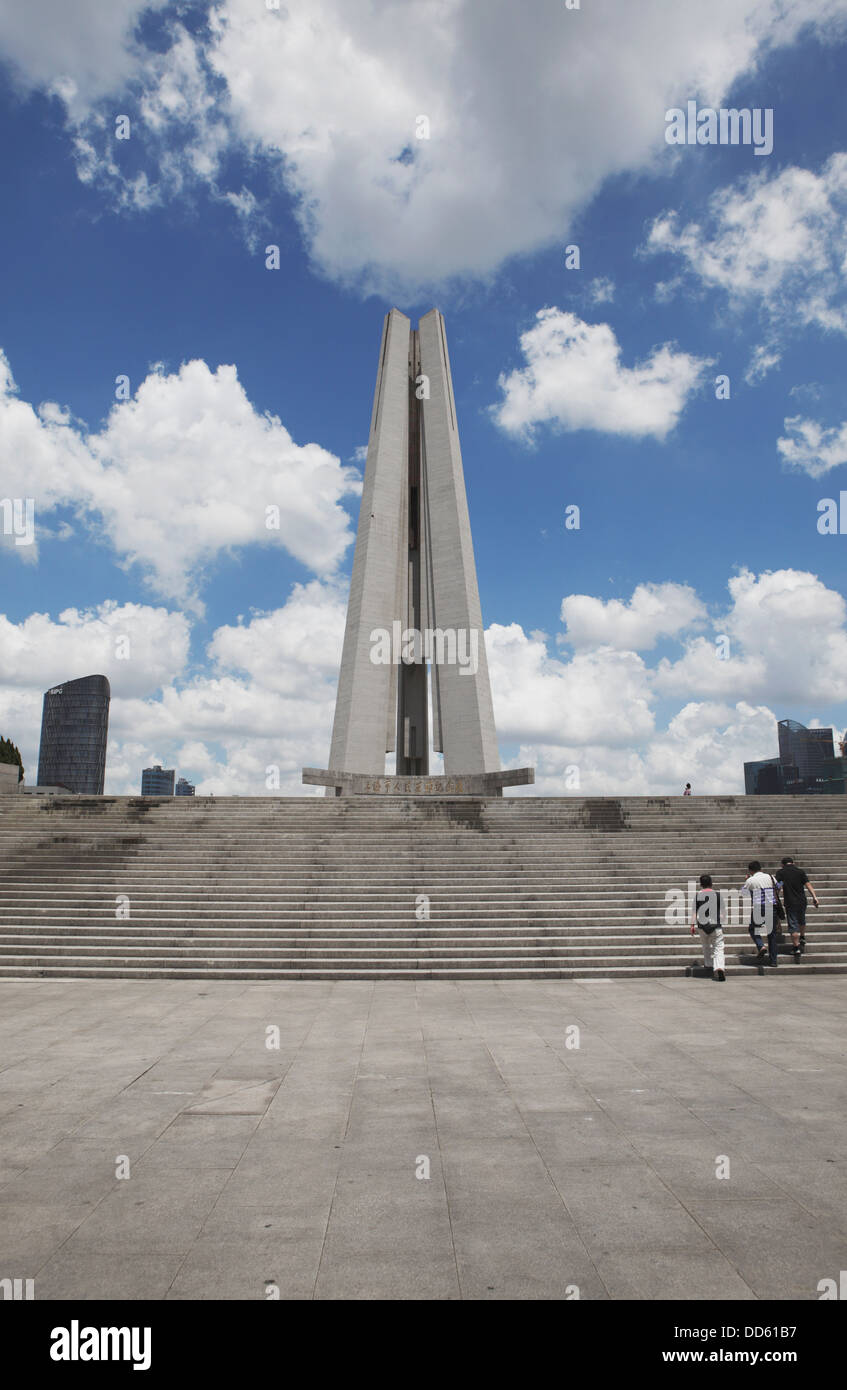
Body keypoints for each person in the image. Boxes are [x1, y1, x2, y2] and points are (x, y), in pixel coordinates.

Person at [774, 856, 819, 961]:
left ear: (783, 864)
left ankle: (796, 948)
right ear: (793, 863)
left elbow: (779, 886)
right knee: (801, 919)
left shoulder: (781, 873)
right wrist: (814, 897)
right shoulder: (800, 872)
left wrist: (776, 897)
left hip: (790, 902)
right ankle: (802, 936)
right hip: (802, 901)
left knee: (793, 924)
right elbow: (808, 885)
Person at [741, 860, 780, 966]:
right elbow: (779, 886)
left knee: (753, 928)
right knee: (772, 935)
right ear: (760, 868)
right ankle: (774, 961)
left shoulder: (751, 880)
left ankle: (760, 945)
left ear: (750, 870)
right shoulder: (770, 877)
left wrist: (746, 881)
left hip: (759, 908)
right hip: (772, 907)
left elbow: (743, 893)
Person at [689, 873, 725, 980]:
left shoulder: (698, 896)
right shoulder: (717, 895)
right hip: (715, 925)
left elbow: (694, 912)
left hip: (702, 925)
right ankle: (719, 967)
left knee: (705, 945)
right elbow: (723, 913)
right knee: (718, 947)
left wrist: (692, 924)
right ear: (711, 883)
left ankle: (708, 964)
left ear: (701, 884)